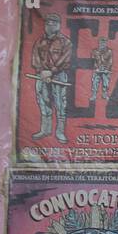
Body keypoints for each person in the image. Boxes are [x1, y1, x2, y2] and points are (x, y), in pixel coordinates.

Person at [31, 13, 72, 143]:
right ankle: (45, 130)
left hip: (58, 76)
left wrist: (51, 72)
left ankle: (60, 132)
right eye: (48, 23)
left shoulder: (65, 42)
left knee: (60, 105)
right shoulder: (39, 41)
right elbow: (35, 58)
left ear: (59, 25)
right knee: (43, 102)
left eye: (53, 23)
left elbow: (65, 59)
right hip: (41, 76)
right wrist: (42, 71)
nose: (50, 25)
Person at [91, 37, 113, 104]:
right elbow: (92, 61)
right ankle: (94, 95)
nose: (102, 44)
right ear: (99, 43)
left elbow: (110, 62)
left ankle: (104, 94)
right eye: (101, 42)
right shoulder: (95, 51)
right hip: (97, 70)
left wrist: (107, 69)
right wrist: (96, 68)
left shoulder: (109, 51)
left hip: (105, 71)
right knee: (95, 83)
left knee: (105, 83)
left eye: (104, 43)